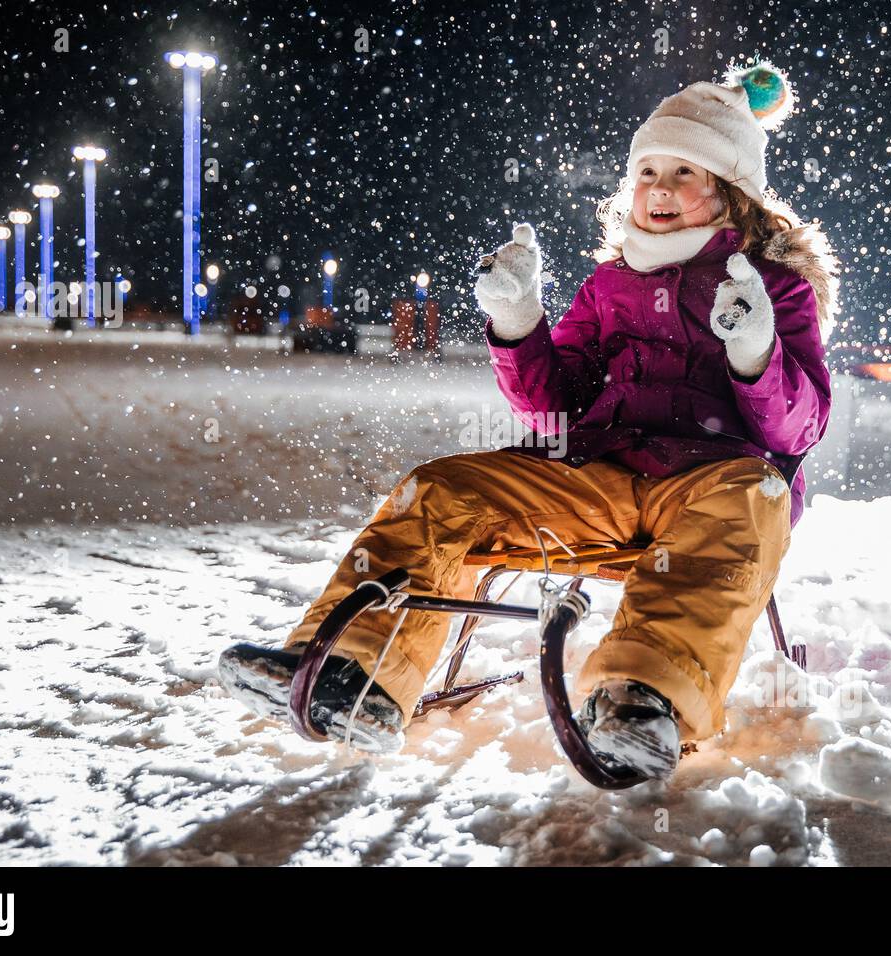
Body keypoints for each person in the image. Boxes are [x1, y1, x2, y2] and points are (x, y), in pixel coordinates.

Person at [219, 62, 838, 781]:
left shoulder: (774, 286)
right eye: (648, 171)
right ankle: (355, 673)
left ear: (731, 195)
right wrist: (517, 320)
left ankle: (645, 702)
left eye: (687, 173)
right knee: (442, 489)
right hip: (598, 480)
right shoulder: (610, 285)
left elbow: (799, 429)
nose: (660, 189)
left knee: (749, 504)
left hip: (715, 485)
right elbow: (554, 407)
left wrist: (756, 350)